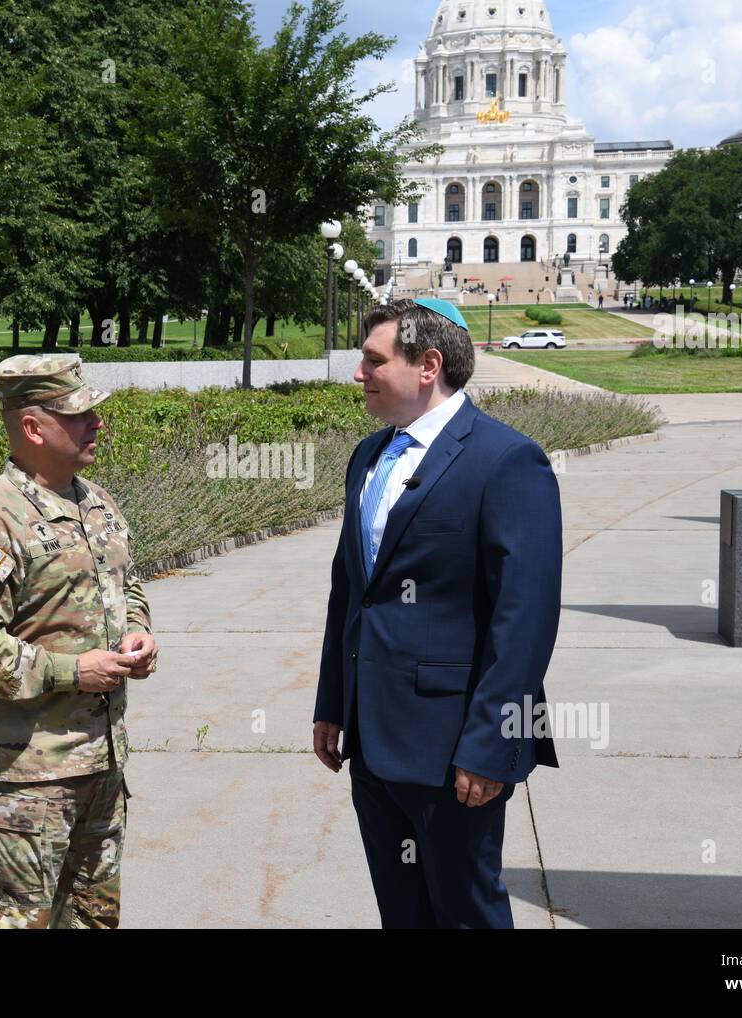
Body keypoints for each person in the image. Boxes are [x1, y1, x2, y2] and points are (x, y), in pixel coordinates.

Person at [313, 298, 561, 929]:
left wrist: (492, 745)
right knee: (403, 913)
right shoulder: (369, 456)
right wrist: (330, 705)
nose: (358, 373)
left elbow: (524, 618)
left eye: (372, 360)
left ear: (427, 365)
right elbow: (350, 591)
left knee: (465, 914)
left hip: (455, 748)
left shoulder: (506, 461)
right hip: (371, 740)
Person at [0, 354, 157, 929]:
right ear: (33, 427)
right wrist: (72, 672)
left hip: (101, 762)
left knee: (93, 921)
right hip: (26, 776)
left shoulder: (97, 503)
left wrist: (139, 630)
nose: (96, 424)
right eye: (79, 415)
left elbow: (128, 584)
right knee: (23, 923)